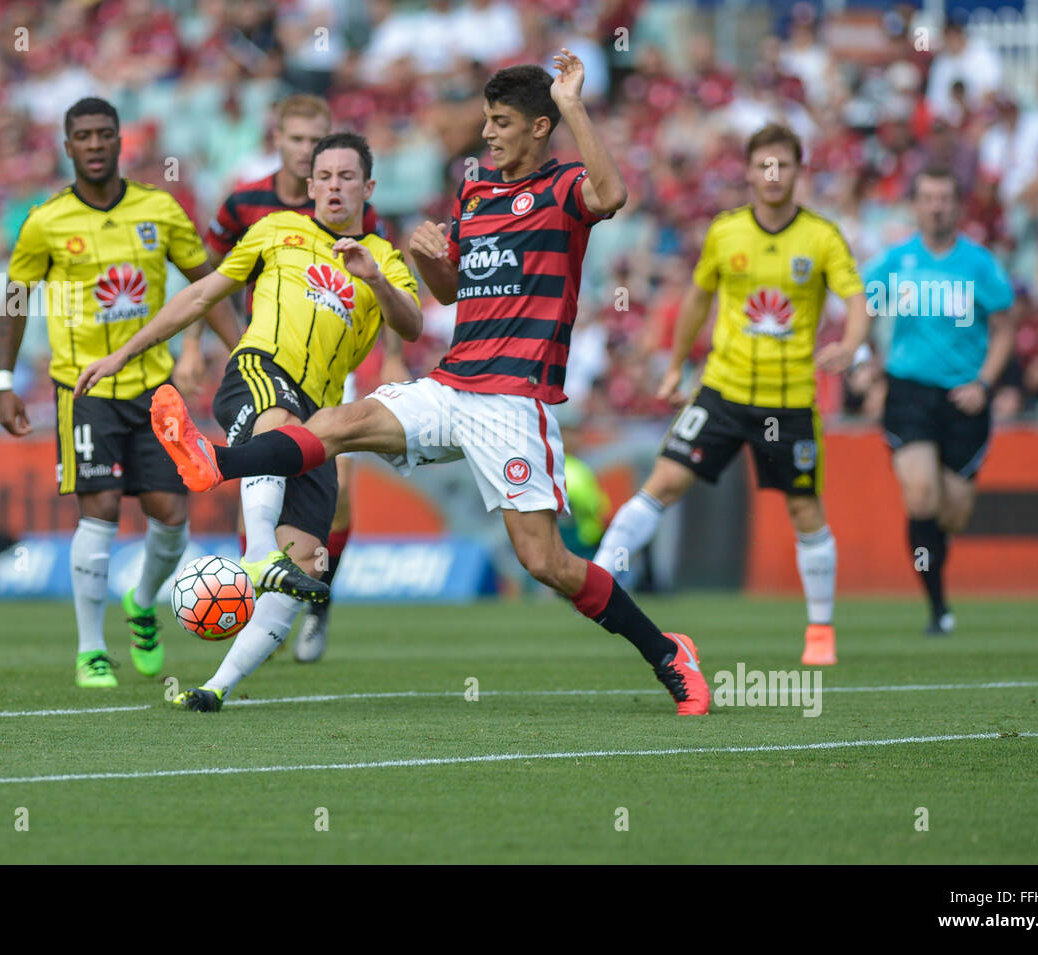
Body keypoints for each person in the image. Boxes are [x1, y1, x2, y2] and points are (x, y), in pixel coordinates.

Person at [145, 53, 713, 717]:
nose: (489, 134)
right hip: (452, 382)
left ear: (539, 127)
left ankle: (669, 651)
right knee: (339, 423)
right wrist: (428, 260)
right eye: (486, 121)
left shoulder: (563, 189)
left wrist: (573, 103)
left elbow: (612, 195)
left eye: (502, 123)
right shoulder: (475, 194)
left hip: (512, 398)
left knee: (546, 561)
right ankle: (217, 461)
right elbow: (454, 290)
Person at [76, 131, 422, 710]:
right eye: (326, 177)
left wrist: (376, 279)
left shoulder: (383, 257)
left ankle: (216, 687)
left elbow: (410, 325)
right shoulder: (273, 231)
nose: (335, 186)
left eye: (347, 177)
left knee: (308, 562)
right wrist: (123, 354)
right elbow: (201, 295)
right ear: (310, 185)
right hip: (259, 372)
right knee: (278, 416)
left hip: (324, 418)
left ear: (368, 187)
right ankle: (256, 549)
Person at [594, 123, 868, 667]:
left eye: (783, 166)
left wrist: (852, 346)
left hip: (789, 400)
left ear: (797, 172)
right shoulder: (726, 233)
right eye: (763, 165)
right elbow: (697, 300)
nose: (772, 176)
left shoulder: (821, 237)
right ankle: (598, 580)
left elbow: (856, 300)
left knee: (803, 506)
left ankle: (820, 630)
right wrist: (674, 368)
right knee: (665, 480)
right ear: (748, 171)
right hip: (723, 389)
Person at [0, 97, 240, 688]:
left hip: (154, 387)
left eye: (105, 134)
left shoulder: (159, 208)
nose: (96, 144)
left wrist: (241, 351)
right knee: (99, 510)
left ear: (120, 141)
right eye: (84, 136)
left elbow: (206, 283)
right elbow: (14, 298)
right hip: (83, 388)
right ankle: (90, 650)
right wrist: (4, 381)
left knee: (172, 516)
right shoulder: (46, 220)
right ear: (68, 146)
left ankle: (142, 602)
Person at [202, 93, 407, 664]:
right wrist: (220, 344)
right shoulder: (248, 206)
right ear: (280, 142)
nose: (303, 152)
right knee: (265, 473)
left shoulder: (359, 221)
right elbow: (206, 276)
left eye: (314, 141)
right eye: (295, 141)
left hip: (326, 372)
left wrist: (392, 354)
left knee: (333, 502)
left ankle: (315, 602)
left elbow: (387, 286)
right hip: (265, 361)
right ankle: (259, 588)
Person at [864, 166, 1014, 634]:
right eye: (927, 197)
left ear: (957, 204)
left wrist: (985, 384)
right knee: (922, 492)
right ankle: (937, 607)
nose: (936, 205)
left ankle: (936, 579)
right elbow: (860, 308)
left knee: (955, 510)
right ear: (916, 204)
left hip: (964, 398)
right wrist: (869, 364)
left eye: (944, 197)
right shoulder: (895, 261)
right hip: (908, 390)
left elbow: (1006, 327)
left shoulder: (979, 264)